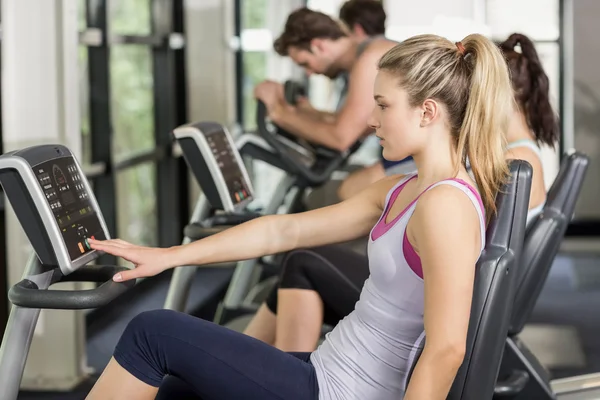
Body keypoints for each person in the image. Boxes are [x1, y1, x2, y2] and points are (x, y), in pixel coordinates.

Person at [85, 33, 514, 400]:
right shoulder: (402, 189)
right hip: (325, 369)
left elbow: (446, 349)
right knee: (175, 387)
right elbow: (284, 230)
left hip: (335, 391)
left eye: (383, 105)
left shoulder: (445, 206)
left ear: (428, 111)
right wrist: (169, 256)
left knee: (152, 332)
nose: (370, 119)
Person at [244, 32, 560, 352]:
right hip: (449, 285)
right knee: (303, 263)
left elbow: (459, 230)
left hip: (446, 297)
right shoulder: (509, 155)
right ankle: (261, 364)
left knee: (303, 263)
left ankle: (270, 370)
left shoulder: (513, 161)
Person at [254, 6, 413, 176]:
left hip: (428, 158)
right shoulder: (364, 57)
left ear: (318, 46)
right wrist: (305, 113)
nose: (309, 73)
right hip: (414, 154)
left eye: (305, 63)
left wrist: (278, 112)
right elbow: (351, 122)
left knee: (347, 188)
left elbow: (340, 138)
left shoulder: (370, 59)